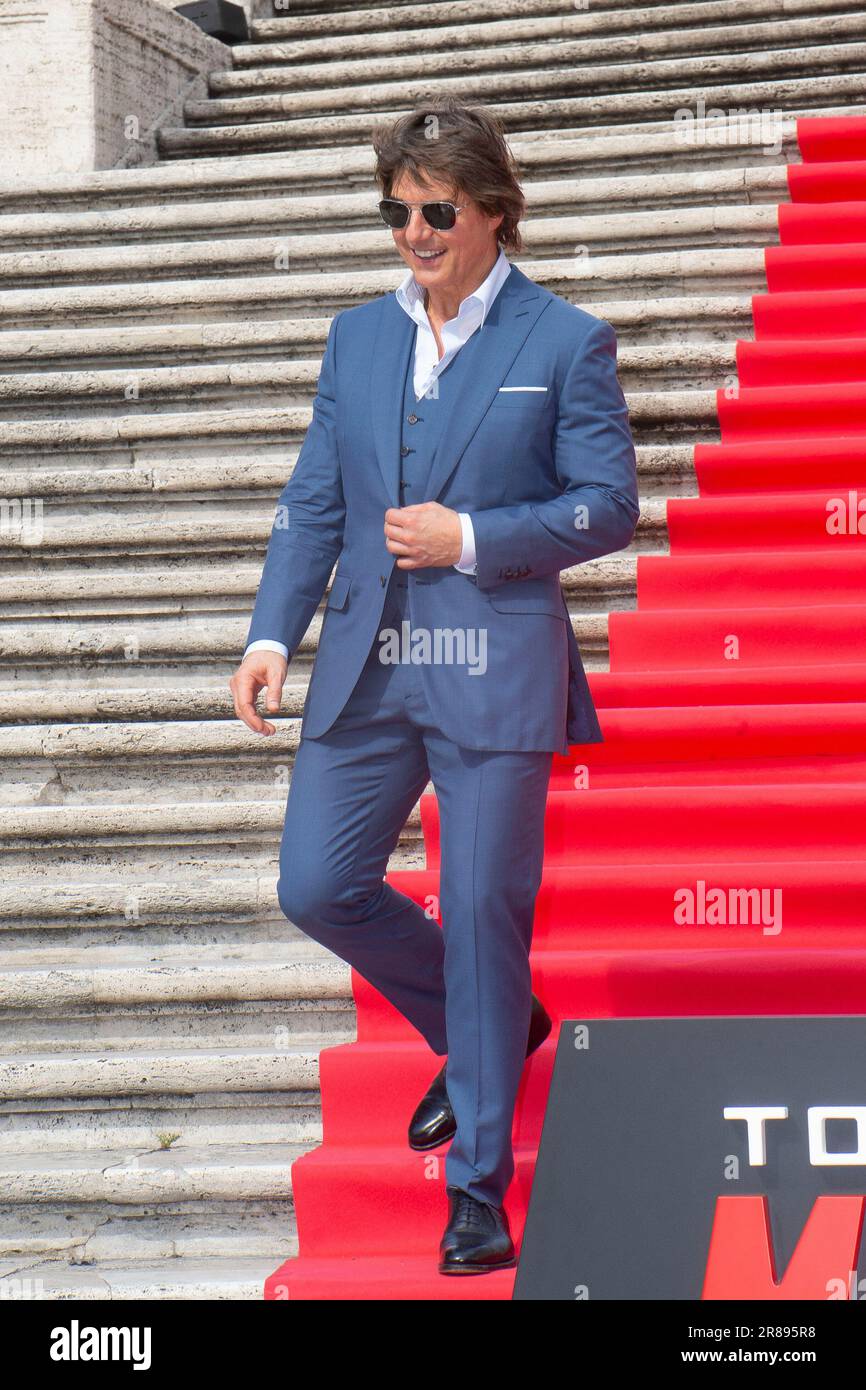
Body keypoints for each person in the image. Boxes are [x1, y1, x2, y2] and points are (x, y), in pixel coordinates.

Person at [229, 98, 639, 1276]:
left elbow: (604, 507)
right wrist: (271, 635)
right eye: (396, 210)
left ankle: (477, 1191)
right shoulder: (357, 337)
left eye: (435, 211)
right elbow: (316, 500)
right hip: (367, 664)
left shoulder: (564, 340)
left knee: (485, 916)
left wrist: (470, 535)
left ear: (493, 214)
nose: (412, 231)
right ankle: (488, 1030)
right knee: (316, 881)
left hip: (492, 662)